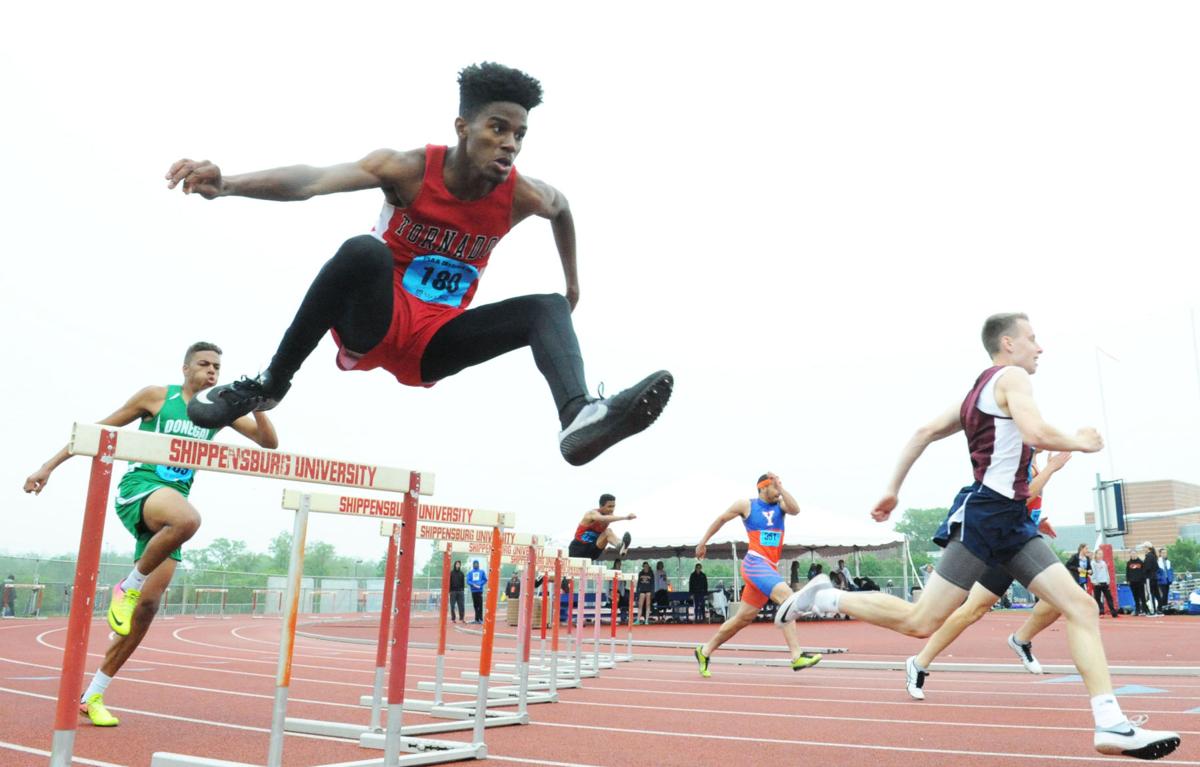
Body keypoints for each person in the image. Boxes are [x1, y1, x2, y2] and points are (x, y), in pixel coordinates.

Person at [166, 62, 672, 467]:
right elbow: (312, 180)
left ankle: (579, 415)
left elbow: (563, 210)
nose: (510, 145)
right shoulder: (406, 169)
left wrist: (573, 284)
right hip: (375, 323)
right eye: (497, 129)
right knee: (365, 250)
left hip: (436, 343)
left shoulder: (523, 194)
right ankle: (270, 384)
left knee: (546, 308)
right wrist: (228, 183)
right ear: (463, 128)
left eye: (520, 134)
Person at [776, 313, 1179, 759]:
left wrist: (892, 490)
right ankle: (826, 597)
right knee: (921, 622)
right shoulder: (1012, 378)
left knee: (1080, 606)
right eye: (1032, 338)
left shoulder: (975, 393)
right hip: (987, 517)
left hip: (1012, 522)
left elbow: (923, 432)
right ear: (1008, 343)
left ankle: (1110, 723)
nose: (1039, 347)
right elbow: (1035, 432)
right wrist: (1080, 440)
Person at [22, 342, 278, 728]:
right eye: (204, 364)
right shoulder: (157, 397)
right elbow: (100, 429)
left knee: (146, 610)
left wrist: (257, 403)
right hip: (141, 490)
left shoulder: (217, 410)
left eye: (217, 367)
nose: (212, 372)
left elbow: (268, 443)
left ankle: (93, 695)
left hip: (170, 509)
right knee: (189, 521)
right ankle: (128, 584)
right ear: (185, 368)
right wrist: (48, 466)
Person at [902, 449, 1072, 700]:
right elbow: (1020, 498)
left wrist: (1036, 522)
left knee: (1064, 597)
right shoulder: (1014, 459)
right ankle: (919, 663)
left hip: (1021, 541)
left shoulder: (1031, 463)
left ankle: (1021, 639)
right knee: (973, 609)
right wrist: (1051, 469)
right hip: (999, 542)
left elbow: (1023, 507)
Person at [693, 473, 822, 678]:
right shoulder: (747, 505)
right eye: (774, 486)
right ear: (763, 488)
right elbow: (721, 519)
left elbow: (796, 510)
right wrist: (703, 542)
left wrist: (782, 488)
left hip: (769, 568)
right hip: (755, 563)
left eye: (779, 486)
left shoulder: (781, 505)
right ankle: (797, 655)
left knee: (742, 619)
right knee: (788, 597)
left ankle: (704, 650)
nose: (778, 490)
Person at [569, 494, 635, 561]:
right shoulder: (591, 513)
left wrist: (621, 541)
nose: (612, 509)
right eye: (609, 506)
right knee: (607, 531)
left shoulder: (610, 516)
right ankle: (620, 545)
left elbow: (610, 535)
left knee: (608, 532)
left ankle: (620, 546)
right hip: (578, 548)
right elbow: (602, 519)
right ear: (601, 506)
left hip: (593, 548)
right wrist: (625, 517)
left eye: (613, 506)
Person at [1092, 550, 1119, 618]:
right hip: (1097, 583)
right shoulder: (1093, 563)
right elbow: (1092, 573)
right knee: (1097, 598)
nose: (1101, 555)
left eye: (1102, 554)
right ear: (1096, 554)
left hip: (1104, 582)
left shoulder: (1103, 563)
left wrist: (1108, 580)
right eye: (1099, 554)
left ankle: (1113, 612)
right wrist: (1094, 581)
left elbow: (1106, 572)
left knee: (1109, 597)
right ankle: (1101, 612)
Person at [1142, 543, 1160, 615]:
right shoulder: (1153, 556)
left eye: (1144, 547)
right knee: (1156, 593)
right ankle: (1158, 609)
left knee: (1150, 594)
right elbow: (1157, 567)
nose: (1143, 549)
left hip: (1149, 578)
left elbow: (1147, 568)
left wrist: (1143, 572)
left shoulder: (1149, 556)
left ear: (1147, 548)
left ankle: (1153, 610)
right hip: (1154, 577)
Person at [1156, 548, 1174, 613]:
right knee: (1162, 595)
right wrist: (1159, 578)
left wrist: (1171, 578)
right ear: (1160, 554)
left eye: (1165, 553)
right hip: (1161, 581)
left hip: (1167, 580)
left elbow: (1171, 571)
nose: (1164, 554)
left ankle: (1165, 608)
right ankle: (1159, 608)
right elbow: (1156, 572)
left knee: (1166, 595)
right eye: (1163, 553)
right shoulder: (1158, 562)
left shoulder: (1168, 562)